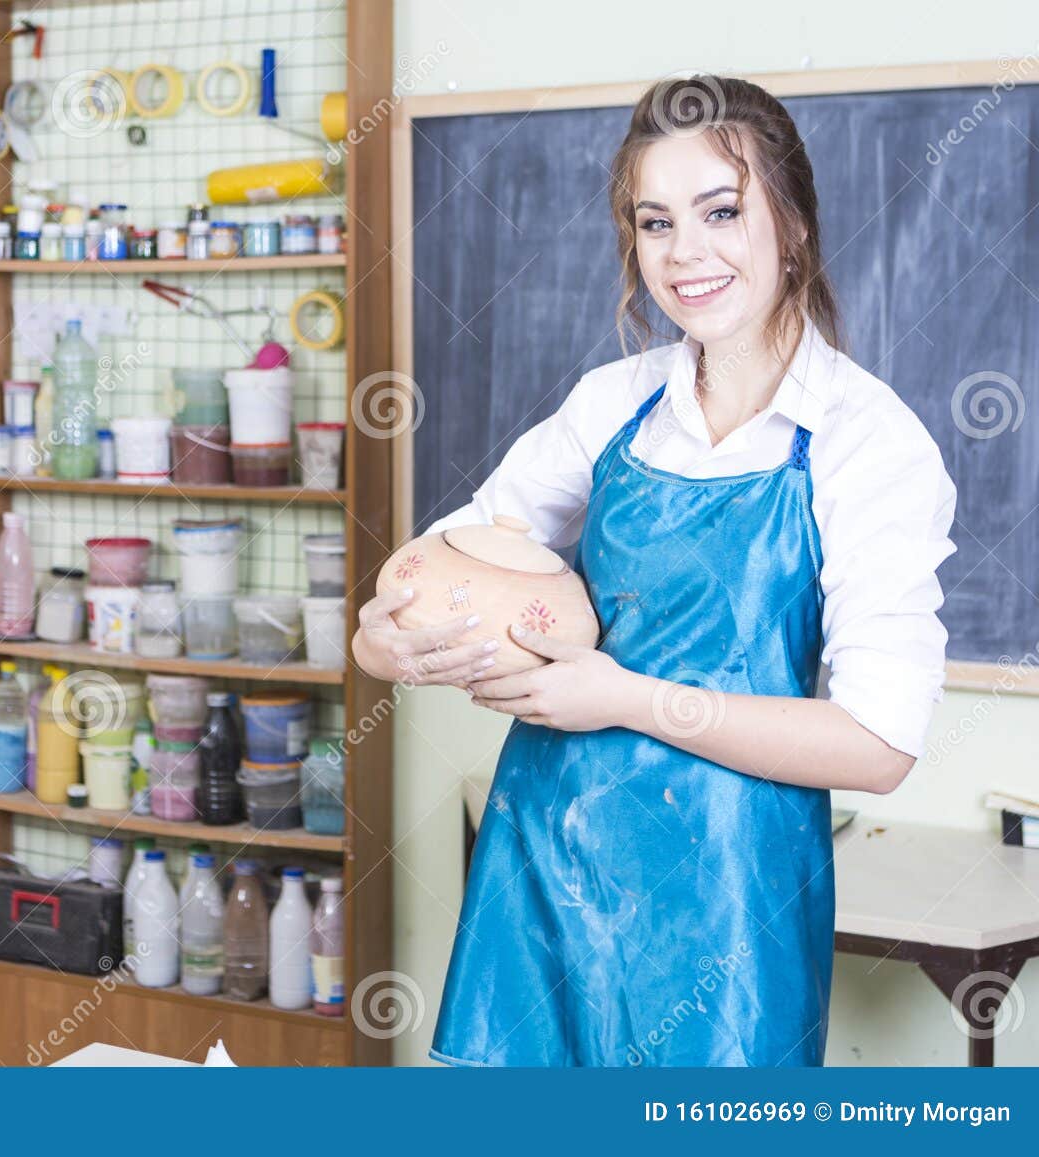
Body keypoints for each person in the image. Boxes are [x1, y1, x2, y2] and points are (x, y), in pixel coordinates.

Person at [353, 75, 955, 1066]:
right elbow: (438, 570)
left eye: (721, 211)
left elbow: (877, 743)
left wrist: (624, 697)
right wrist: (393, 634)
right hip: (541, 865)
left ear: (791, 223)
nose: (686, 253)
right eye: (654, 220)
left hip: (724, 906)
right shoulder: (609, 406)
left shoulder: (867, 442)